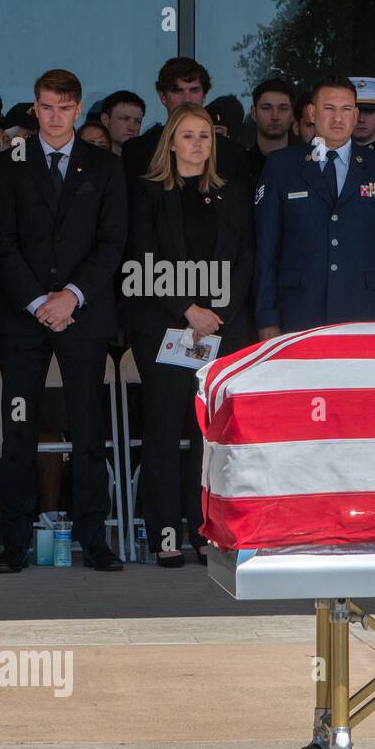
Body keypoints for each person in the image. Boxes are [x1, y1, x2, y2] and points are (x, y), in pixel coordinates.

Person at [0, 69, 127, 573]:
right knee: (19, 427)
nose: (54, 117)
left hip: (83, 315)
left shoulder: (104, 166)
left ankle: (94, 539)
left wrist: (69, 297)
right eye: (46, 107)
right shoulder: (11, 164)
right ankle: (15, 543)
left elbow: (113, 243)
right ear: (35, 106)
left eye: (64, 108)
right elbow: (1, 241)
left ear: (78, 108)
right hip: (23, 319)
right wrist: (37, 302)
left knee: (89, 431)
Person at [125, 103, 253, 566]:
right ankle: (163, 531)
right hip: (163, 325)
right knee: (162, 430)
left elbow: (245, 257)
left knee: (208, 434)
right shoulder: (146, 193)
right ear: (171, 143)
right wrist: (188, 309)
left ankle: (204, 531)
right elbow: (139, 255)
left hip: (222, 327)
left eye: (205, 136)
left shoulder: (232, 193)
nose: (198, 144)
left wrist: (218, 312)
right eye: (188, 136)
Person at [253, 74, 375, 336]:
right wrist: (267, 318)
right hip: (298, 312)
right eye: (329, 108)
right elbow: (266, 249)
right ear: (312, 113)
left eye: (346, 109)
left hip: (365, 315)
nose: (338, 118)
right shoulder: (281, 166)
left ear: (356, 113)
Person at [122, 57, 247, 191]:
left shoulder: (232, 152)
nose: (187, 99)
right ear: (162, 96)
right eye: (177, 91)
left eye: (194, 90)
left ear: (204, 96)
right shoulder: (136, 151)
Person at [245, 78, 295, 187]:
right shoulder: (239, 166)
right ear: (254, 113)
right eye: (267, 108)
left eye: (283, 109)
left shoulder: (306, 165)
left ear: (292, 115)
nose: (275, 116)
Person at [98, 90, 144, 155]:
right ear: (105, 119)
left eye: (138, 121)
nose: (132, 127)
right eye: (125, 119)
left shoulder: (148, 161)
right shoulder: (90, 158)